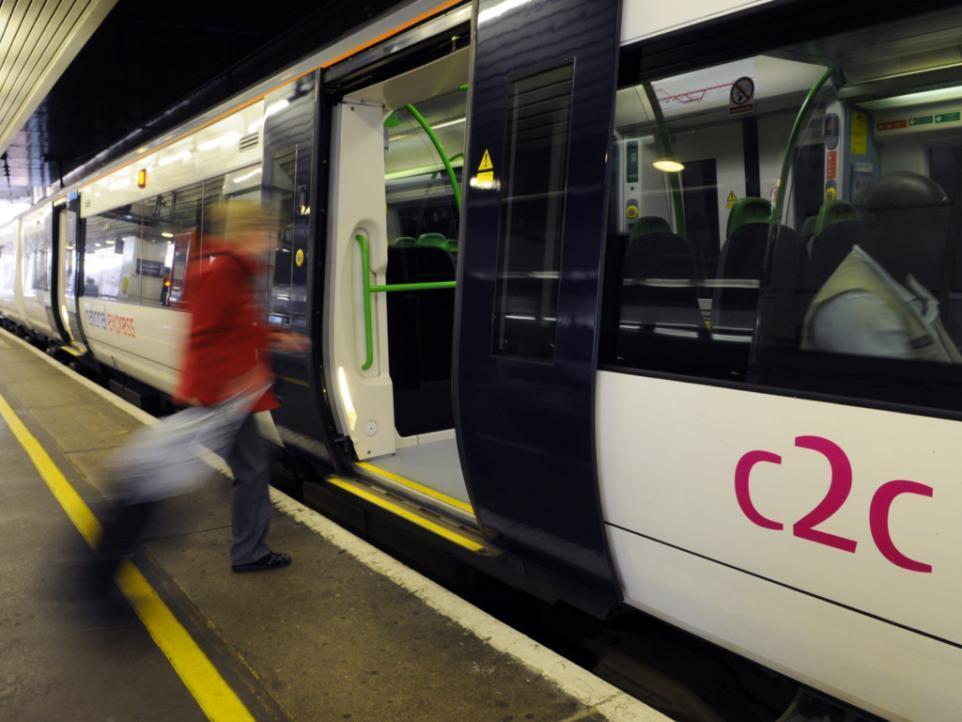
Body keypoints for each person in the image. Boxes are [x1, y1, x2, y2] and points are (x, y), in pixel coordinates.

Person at [89, 199, 308, 597]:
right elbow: (204, 335)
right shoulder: (223, 271)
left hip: (229, 395)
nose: (274, 241)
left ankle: (236, 546)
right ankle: (244, 551)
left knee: (240, 467)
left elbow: (238, 327)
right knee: (236, 469)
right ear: (250, 232)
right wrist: (227, 385)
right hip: (223, 396)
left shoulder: (235, 269)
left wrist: (276, 339)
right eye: (270, 233)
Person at [802, 172, 962, 362]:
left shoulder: (903, 279)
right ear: (875, 222)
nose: (937, 242)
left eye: (941, 230)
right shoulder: (858, 307)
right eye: (924, 227)